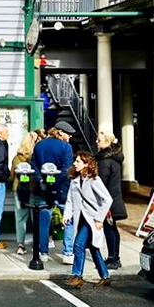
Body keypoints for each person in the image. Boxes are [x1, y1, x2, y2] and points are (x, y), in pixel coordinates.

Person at [64, 152, 114, 288]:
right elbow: (69, 200)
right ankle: (105, 276)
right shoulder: (74, 181)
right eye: (75, 161)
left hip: (91, 220)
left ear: (86, 164)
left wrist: (99, 219)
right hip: (80, 218)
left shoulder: (94, 180)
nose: (75, 163)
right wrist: (66, 215)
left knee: (78, 245)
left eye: (78, 161)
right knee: (93, 248)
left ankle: (77, 276)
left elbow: (108, 199)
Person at [31, 121, 75, 263]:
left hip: (44, 190)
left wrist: (42, 182)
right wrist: (55, 183)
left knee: (43, 221)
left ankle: (43, 252)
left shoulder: (39, 145)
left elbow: (34, 167)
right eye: (68, 134)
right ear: (60, 133)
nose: (70, 137)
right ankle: (68, 253)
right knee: (68, 220)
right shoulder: (66, 147)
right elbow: (66, 169)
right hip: (62, 189)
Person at [96, 130, 127, 270]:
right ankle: (115, 257)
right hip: (114, 199)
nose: (97, 142)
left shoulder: (105, 160)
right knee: (113, 229)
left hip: (108, 201)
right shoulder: (115, 158)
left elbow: (101, 182)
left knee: (109, 229)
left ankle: (112, 258)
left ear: (108, 142)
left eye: (99, 140)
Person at [10, 131, 40, 255]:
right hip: (33, 189)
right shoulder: (36, 157)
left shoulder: (17, 158)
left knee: (20, 218)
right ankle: (37, 244)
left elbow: (12, 175)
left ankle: (20, 244)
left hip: (19, 189)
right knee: (35, 217)